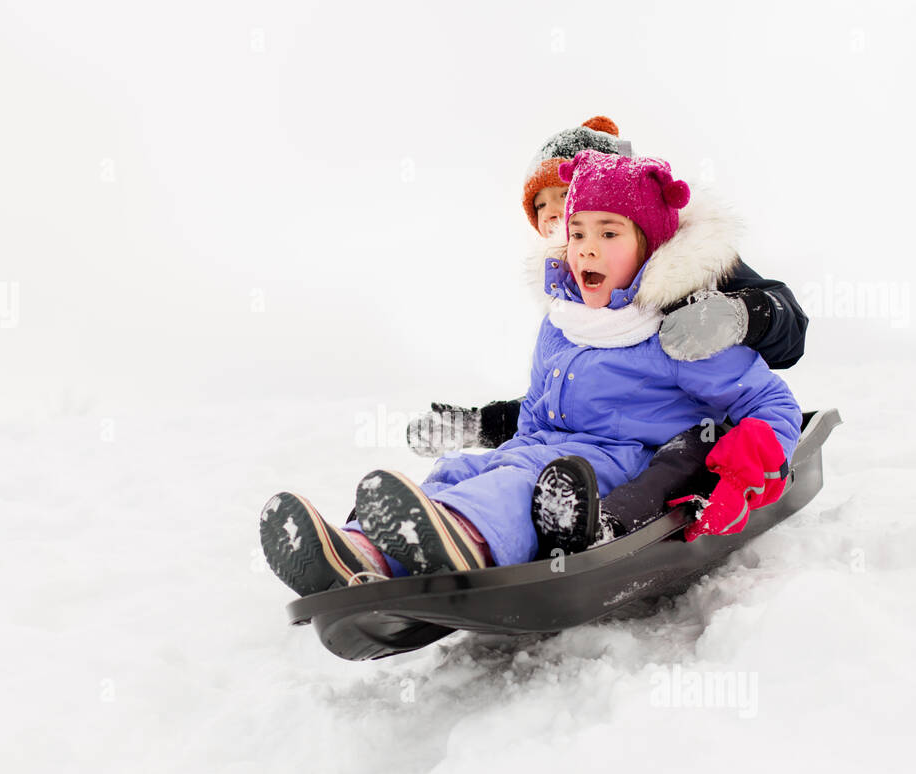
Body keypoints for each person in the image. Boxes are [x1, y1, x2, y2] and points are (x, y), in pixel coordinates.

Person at [260, 152, 801, 596]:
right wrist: (492, 439)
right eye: (579, 232)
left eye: (610, 233)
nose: (587, 245)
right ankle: (357, 551)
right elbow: (538, 411)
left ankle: (463, 537)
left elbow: (771, 406)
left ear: (650, 246)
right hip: (539, 447)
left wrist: (746, 464)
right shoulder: (564, 323)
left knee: (516, 489)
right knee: (461, 471)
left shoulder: (681, 330)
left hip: (610, 466)